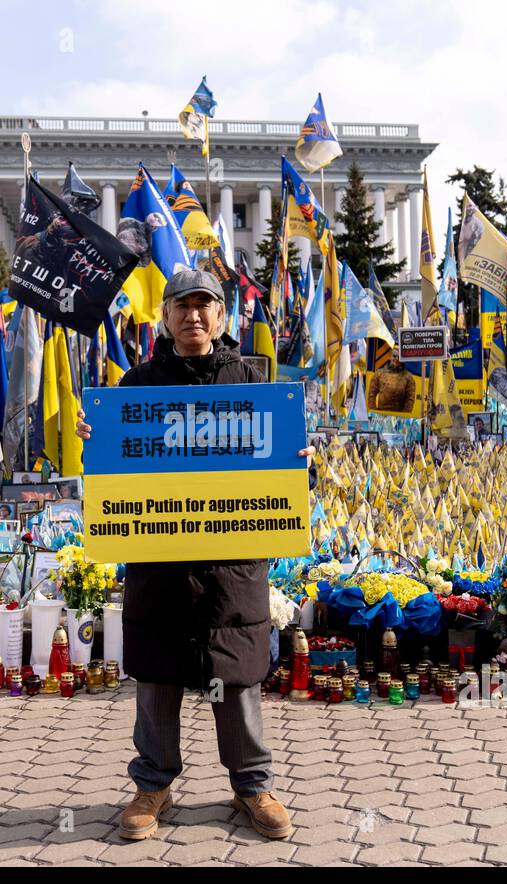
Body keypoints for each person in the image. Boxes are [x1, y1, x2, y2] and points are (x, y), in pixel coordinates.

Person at [74, 269, 313, 843]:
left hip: (231, 565)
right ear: (165, 315)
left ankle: (253, 785)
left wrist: (299, 457)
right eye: (182, 305)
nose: (194, 316)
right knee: (157, 674)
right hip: (160, 564)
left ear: (222, 316)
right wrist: (96, 440)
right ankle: (152, 783)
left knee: (235, 675)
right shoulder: (135, 387)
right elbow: (111, 472)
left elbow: (283, 464)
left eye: (205, 305)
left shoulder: (254, 384)